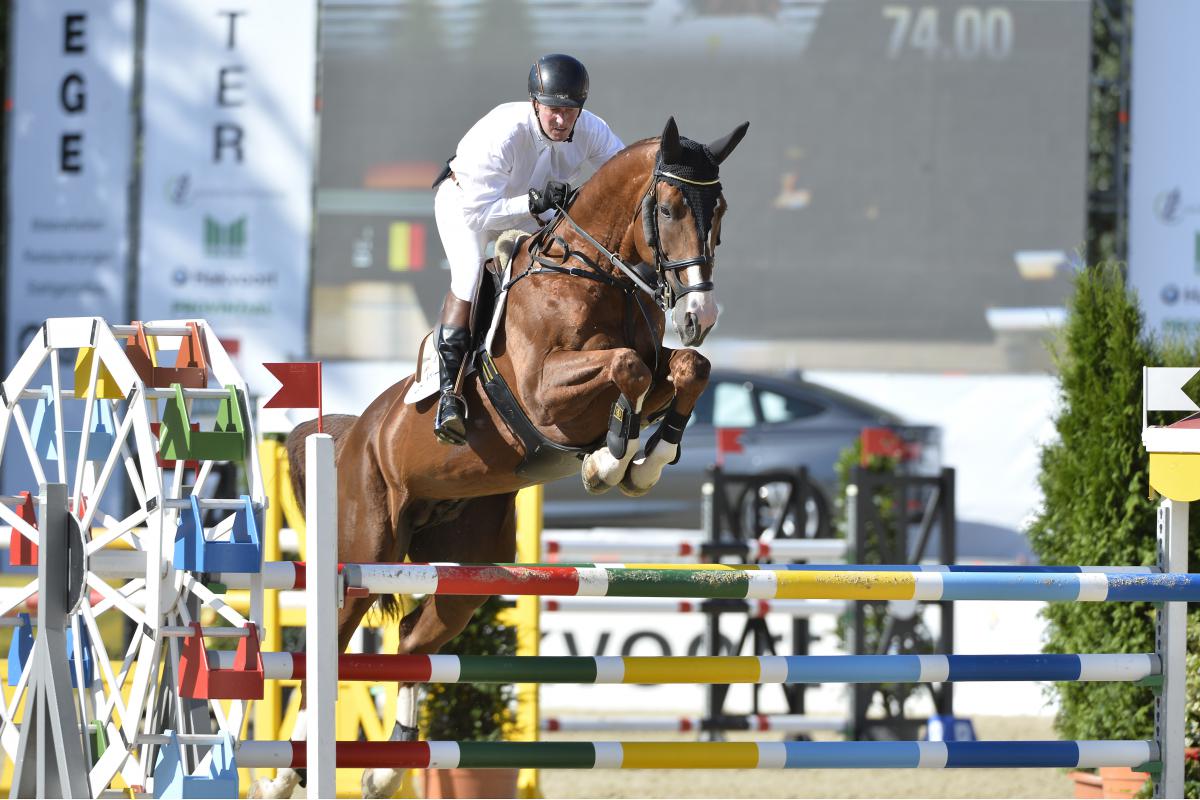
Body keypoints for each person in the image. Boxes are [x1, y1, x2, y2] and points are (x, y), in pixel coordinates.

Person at [430, 53, 625, 445]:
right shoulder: (503, 130)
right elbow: (480, 214)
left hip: (529, 211)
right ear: (536, 103)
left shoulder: (591, 129)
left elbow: (621, 173)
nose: (560, 120)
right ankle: (449, 396)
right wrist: (532, 202)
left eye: (570, 111)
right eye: (553, 110)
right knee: (468, 274)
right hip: (467, 206)